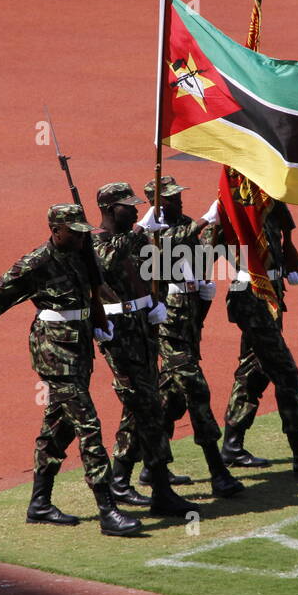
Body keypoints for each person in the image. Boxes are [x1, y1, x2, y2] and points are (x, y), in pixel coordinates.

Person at [0, 203, 141, 537]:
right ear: (55, 231)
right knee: (88, 424)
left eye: (82, 232)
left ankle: (39, 504)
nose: (80, 237)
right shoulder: (36, 263)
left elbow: (93, 289)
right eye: (73, 232)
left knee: (59, 426)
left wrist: (99, 321)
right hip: (53, 351)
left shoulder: (82, 251)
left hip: (79, 348)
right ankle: (108, 510)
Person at [91, 181, 198, 516]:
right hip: (117, 332)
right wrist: (141, 229)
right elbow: (108, 262)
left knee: (142, 404)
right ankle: (158, 488)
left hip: (143, 326)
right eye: (128, 206)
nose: (136, 210)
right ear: (109, 209)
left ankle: (121, 479)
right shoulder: (94, 243)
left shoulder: (137, 239)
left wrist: (157, 301)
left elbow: (151, 270)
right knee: (146, 405)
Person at [134, 175, 245, 497]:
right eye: (169, 197)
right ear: (156, 201)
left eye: (178, 195)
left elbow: (202, 254)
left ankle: (143, 467)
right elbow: (167, 248)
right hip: (167, 328)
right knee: (196, 390)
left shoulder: (183, 224)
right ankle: (218, 471)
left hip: (190, 323)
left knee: (171, 399)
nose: (177, 200)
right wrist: (205, 221)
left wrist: (222, 271)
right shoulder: (149, 236)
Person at [219, 188, 298, 479]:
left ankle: (232, 444)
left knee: (255, 369)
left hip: (270, 292)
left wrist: (288, 265)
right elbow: (208, 246)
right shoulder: (234, 204)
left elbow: (280, 237)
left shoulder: (271, 196)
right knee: (285, 371)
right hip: (251, 296)